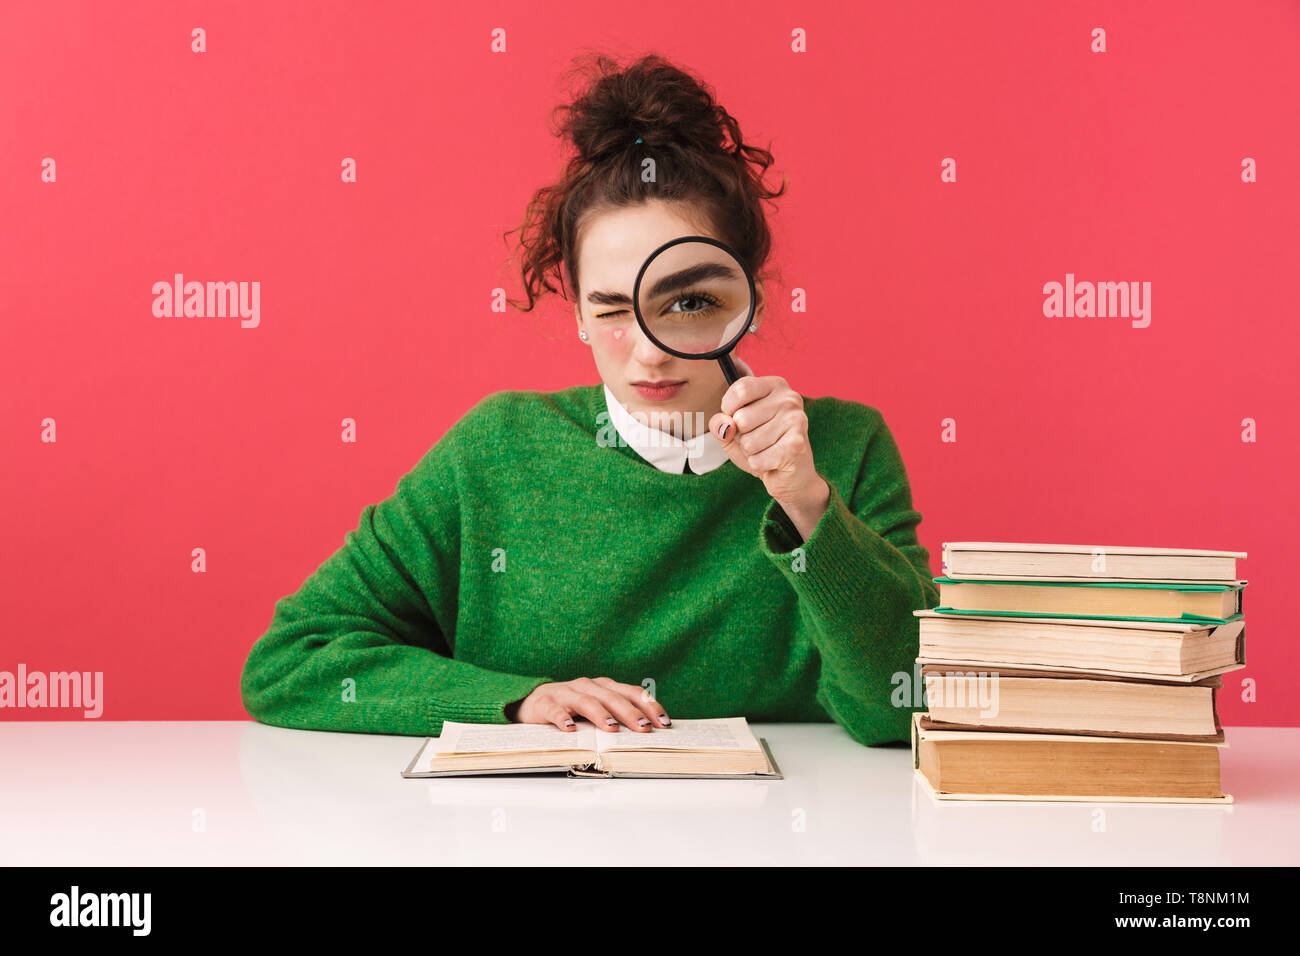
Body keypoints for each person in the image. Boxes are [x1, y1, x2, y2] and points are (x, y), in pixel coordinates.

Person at [239, 52, 939, 747]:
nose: (650, 350)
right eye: (610, 309)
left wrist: (807, 505)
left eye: (690, 302)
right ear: (574, 311)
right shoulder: (497, 448)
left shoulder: (843, 448)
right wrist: (517, 702)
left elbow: (897, 704)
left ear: (747, 298)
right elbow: (291, 662)